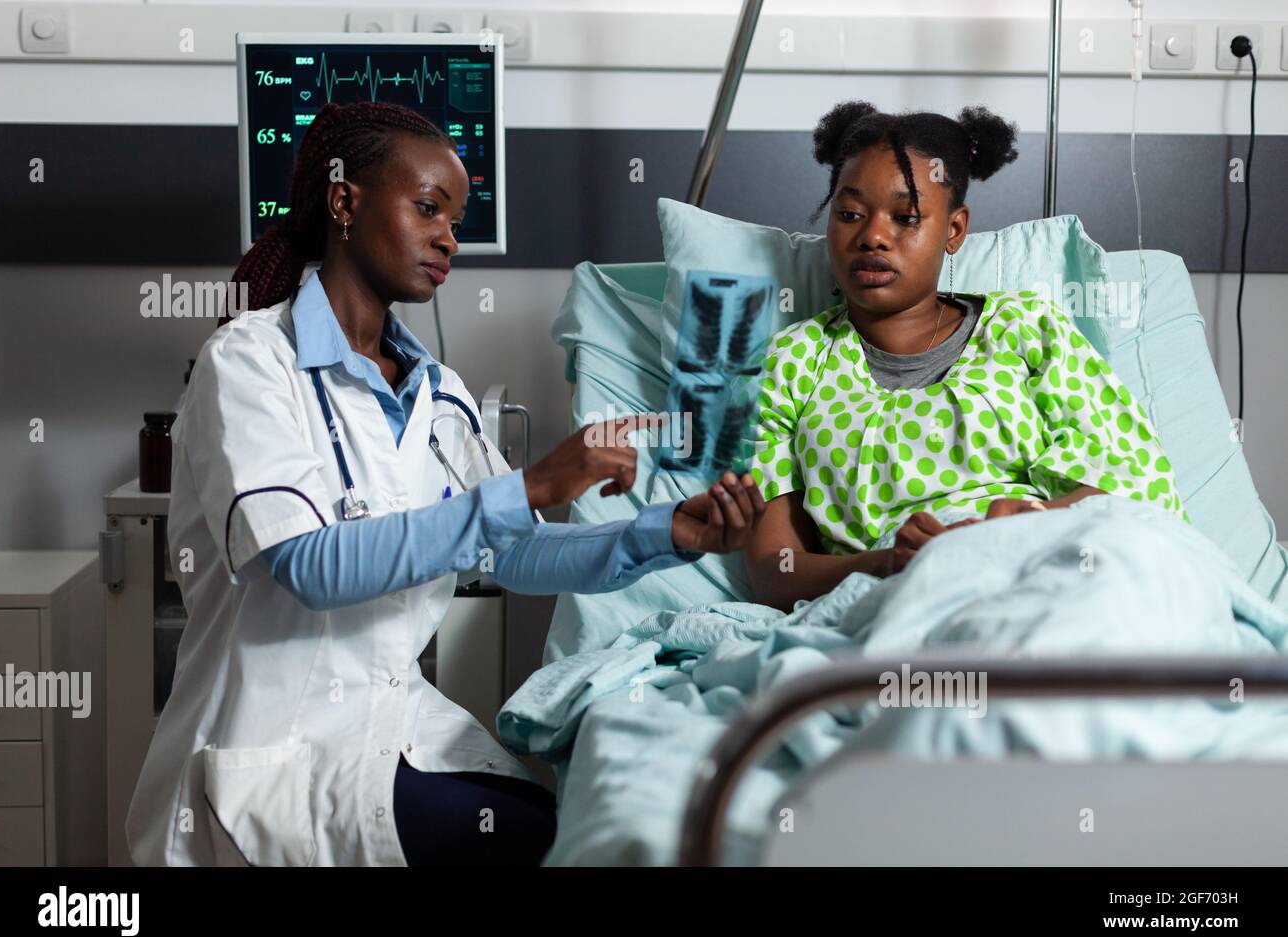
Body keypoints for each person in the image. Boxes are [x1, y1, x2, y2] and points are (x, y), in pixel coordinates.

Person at [126, 100, 765, 867]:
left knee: (562, 831)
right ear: (343, 201)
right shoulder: (251, 361)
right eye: (428, 208)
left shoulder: (440, 394)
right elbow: (308, 568)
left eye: (456, 219)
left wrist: (665, 534)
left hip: (390, 731)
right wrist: (530, 483)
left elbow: (514, 556)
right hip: (275, 754)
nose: (448, 239)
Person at [745, 101, 1185, 611]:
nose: (873, 236)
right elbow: (772, 572)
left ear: (953, 231)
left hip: (1054, 577)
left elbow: (1137, 492)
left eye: (906, 217)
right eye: (849, 214)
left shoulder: (1028, 329)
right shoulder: (792, 362)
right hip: (898, 603)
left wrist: (1023, 525)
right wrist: (888, 565)